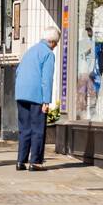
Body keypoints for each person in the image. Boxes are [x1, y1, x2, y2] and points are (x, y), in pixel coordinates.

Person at [14, 27, 60, 171]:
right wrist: (46, 101)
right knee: (38, 129)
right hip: (36, 95)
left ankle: (20, 161)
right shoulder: (48, 54)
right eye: (56, 43)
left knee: (24, 129)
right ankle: (35, 162)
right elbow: (46, 79)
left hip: (21, 93)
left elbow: (18, 71)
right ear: (52, 41)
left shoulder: (31, 51)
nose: (56, 45)